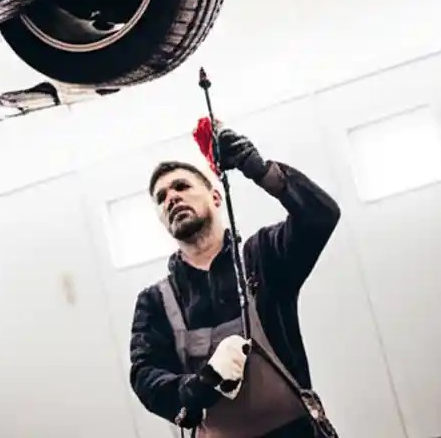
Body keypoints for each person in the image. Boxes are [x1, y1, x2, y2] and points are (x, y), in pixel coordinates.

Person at [129, 126, 341, 438]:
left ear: (215, 196)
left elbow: (320, 217)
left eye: (181, 187)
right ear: (162, 220)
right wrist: (196, 386)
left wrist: (262, 171)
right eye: (161, 198)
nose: (171, 198)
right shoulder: (155, 302)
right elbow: (144, 376)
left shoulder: (264, 256)